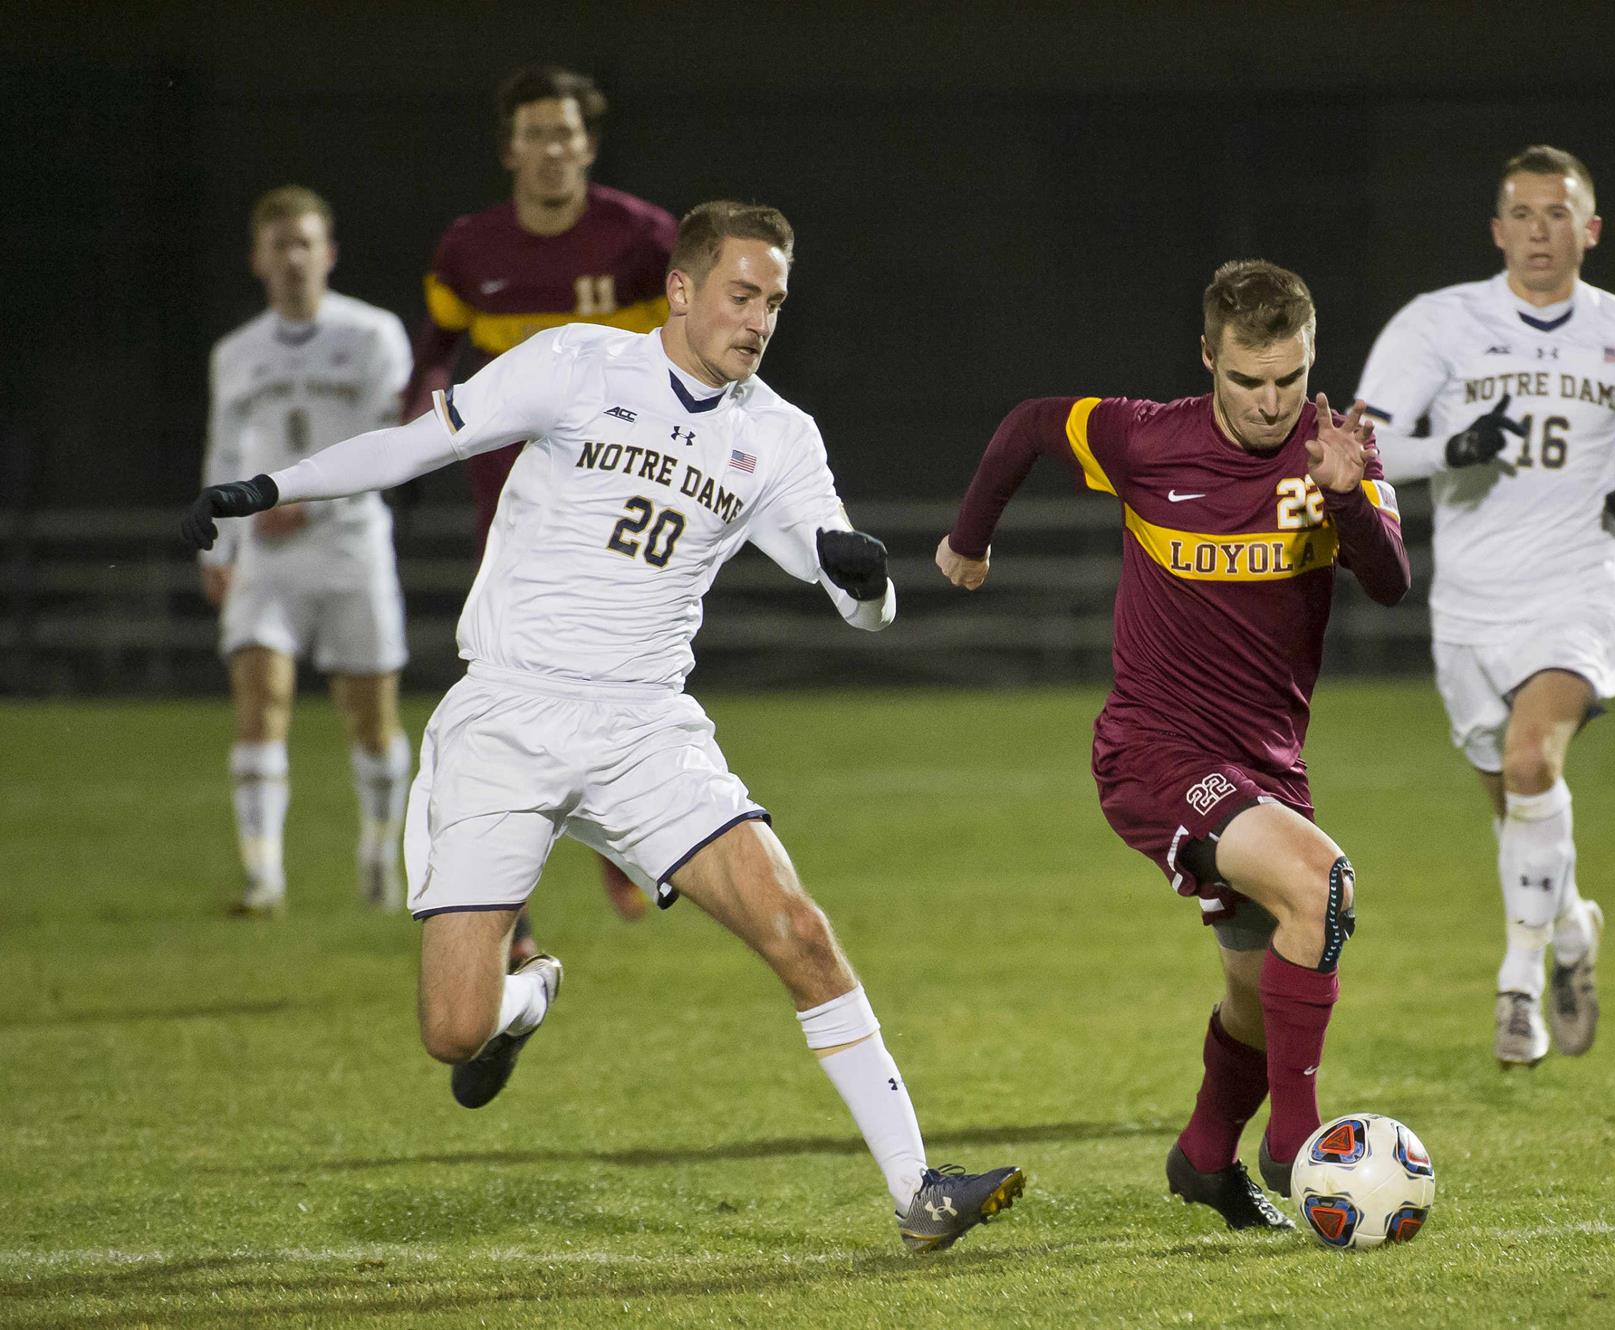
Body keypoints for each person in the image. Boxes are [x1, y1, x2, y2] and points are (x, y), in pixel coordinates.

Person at [182, 200, 1024, 1253]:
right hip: (507, 716)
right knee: (453, 1030)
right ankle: (524, 998)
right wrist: (269, 486)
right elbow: (412, 448)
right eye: (740, 294)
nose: (758, 319)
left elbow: (858, 592)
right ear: (680, 289)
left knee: (798, 930)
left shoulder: (777, 437)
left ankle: (917, 1187)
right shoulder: (575, 364)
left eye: (774, 301)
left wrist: (864, 580)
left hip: (643, 732)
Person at [937, 261, 1409, 1229]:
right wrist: (969, 537)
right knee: (1322, 886)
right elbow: (1030, 422)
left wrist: (1347, 497)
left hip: (1266, 768)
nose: (1270, 402)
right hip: (1153, 751)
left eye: (1287, 377)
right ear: (1206, 360)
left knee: (1257, 986)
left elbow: (1392, 582)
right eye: (1246, 380)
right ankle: (1298, 1148)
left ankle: (1202, 1157)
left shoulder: (1335, 461)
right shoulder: (1145, 438)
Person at [1354, 145, 1615, 1068]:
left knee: (1532, 763)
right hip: (1472, 611)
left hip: (1579, 587)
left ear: (1589, 230)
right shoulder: (1440, 324)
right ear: (1497, 231)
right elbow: (1355, 448)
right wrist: (1454, 445)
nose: (1538, 230)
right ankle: (1570, 933)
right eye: (1521, 214)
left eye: (1557, 213)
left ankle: (1518, 982)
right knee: (1516, 806)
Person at [403, 64, 680, 934]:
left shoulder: (643, 240)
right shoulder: (469, 249)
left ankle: (615, 842)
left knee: (618, 679)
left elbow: (697, 339)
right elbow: (433, 354)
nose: (553, 149)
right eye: (537, 134)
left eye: (567, 133)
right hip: (513, 517)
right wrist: (425, 401)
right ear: (511, 149)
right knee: (505, 696)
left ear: (588, 144)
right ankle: (504, 905)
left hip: (620, 509)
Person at [199, 186, 413, 916]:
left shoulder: (374, 335)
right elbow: (223, 452)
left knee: (372, 722)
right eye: (279, 244)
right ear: (258, 258)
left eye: (305, 243)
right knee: (261, 703)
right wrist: (217, 546)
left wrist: (311, 503)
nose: (293, 257)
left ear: (329, 253)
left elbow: (396, 447)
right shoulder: (236, 353)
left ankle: (380, 856)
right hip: (266, 556)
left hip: (352, 548)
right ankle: (264, 879)